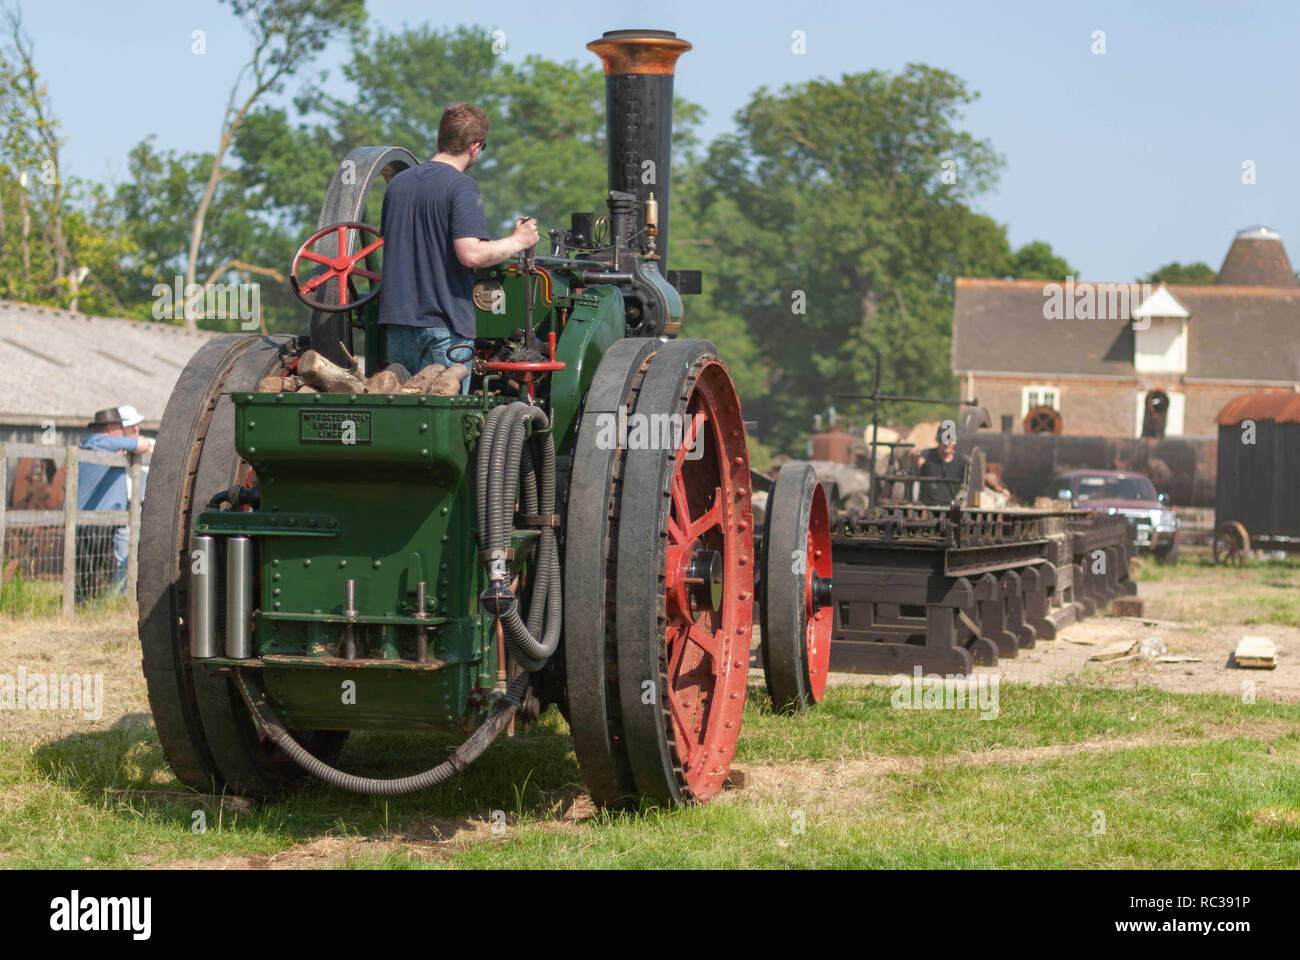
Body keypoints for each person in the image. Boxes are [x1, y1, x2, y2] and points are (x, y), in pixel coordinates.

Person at [378, 102, 540, 391]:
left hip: (398, 326)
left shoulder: (397, 185)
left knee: (404, 419)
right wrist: (519, 240)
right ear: (475, 146)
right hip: (444, 329)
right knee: (446, 422)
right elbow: (471, 254)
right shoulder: (462, 187)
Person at [77, 406, 155, 598]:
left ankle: (94, 604)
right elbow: (143, 444)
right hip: (90, 518)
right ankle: (85, 605)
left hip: (101, 517)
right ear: (111, 428)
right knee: (87, 570)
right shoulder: (100, 441)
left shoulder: (102, 442)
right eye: (121, 426)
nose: (125, 429)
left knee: (94, 568)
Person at [917, 425, 970, 506]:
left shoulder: (963, 461)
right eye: (943, 439)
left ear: (955, 439)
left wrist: (995, 487)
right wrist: (915, 460)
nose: (946, 443)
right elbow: (917, 467)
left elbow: (976, 477)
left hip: (952, 507)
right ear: (937, 439)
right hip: (927, 506)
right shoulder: (926, 455)